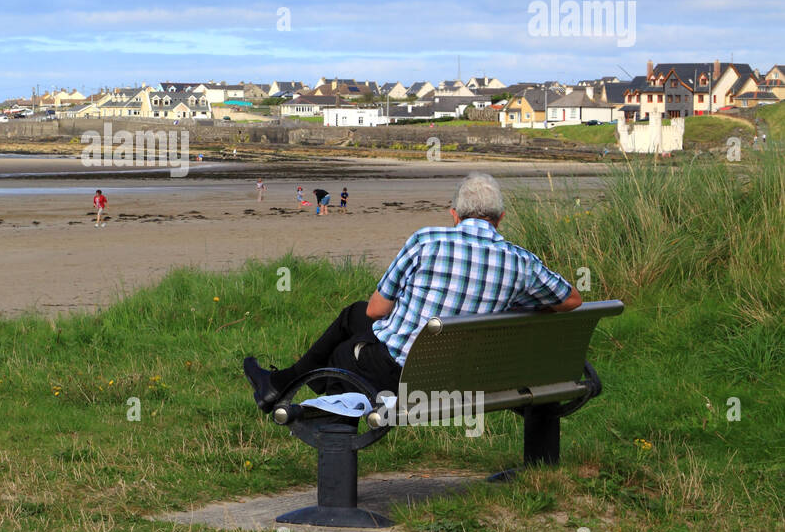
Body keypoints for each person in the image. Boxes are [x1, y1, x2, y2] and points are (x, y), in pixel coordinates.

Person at [243, 172, 583, 410]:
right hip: (460, 376)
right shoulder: (520, 261)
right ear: (501, 218)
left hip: (400, 373)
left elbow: (377, 311)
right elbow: (571, 300)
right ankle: (280, 384)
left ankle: (289, 393)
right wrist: (520, 299)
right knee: (353, 316)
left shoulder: (427, 240)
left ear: (454, 215)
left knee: (348, 340)